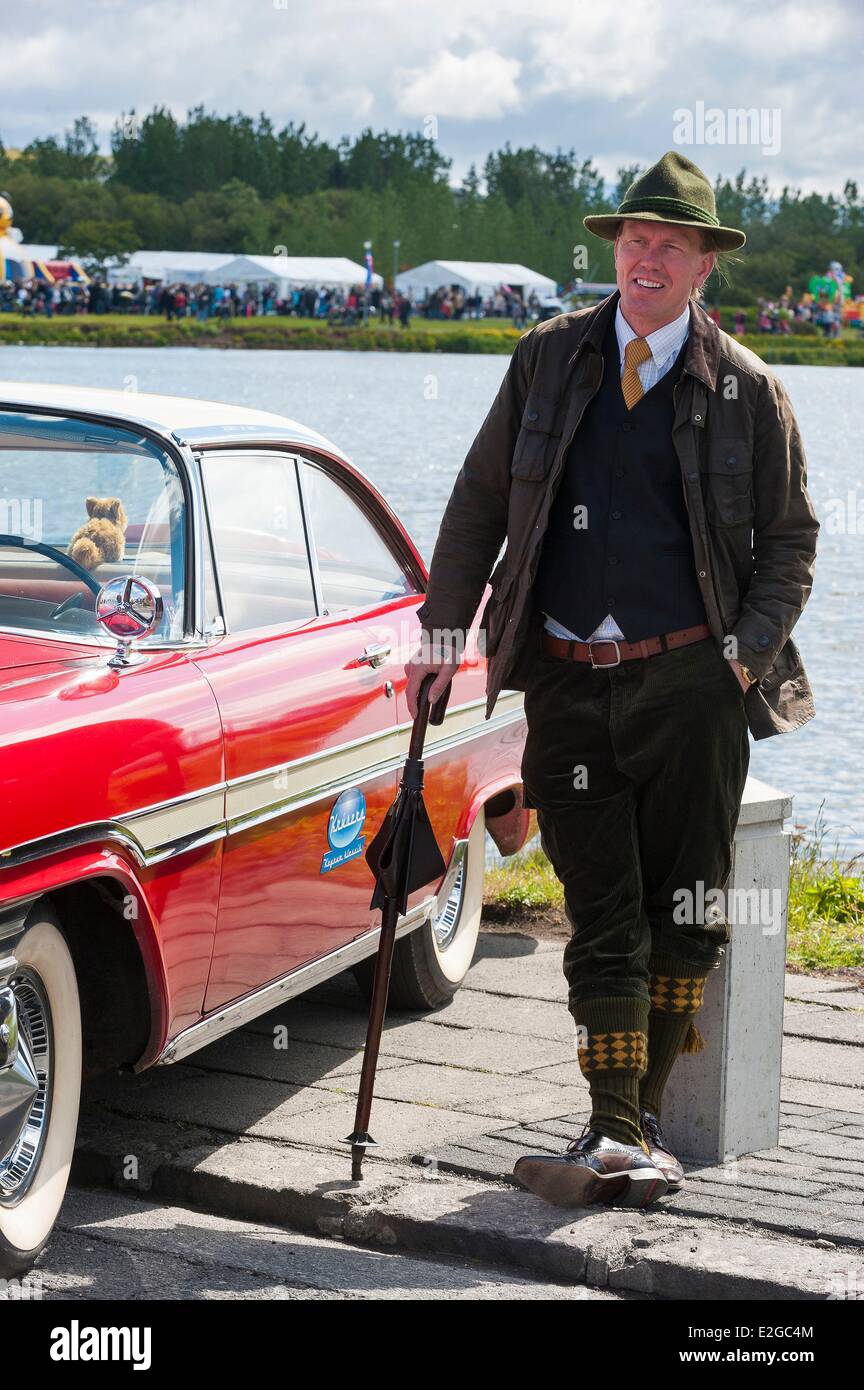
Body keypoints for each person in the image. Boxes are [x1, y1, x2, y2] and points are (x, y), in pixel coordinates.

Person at [404, 150, 819, 1209]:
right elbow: (478, 502)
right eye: (633, 239)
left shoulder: (748, 391)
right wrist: (442, 636)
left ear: (703, 266)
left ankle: (622, 1131)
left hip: (693, 683)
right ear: (615, 253)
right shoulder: (548, 358)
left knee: (686, 908)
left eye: (669, 244)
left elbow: (790, 540)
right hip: (567, 681)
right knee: (602, 911)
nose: (646, 257)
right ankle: (618, 1130)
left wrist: (742, 654)